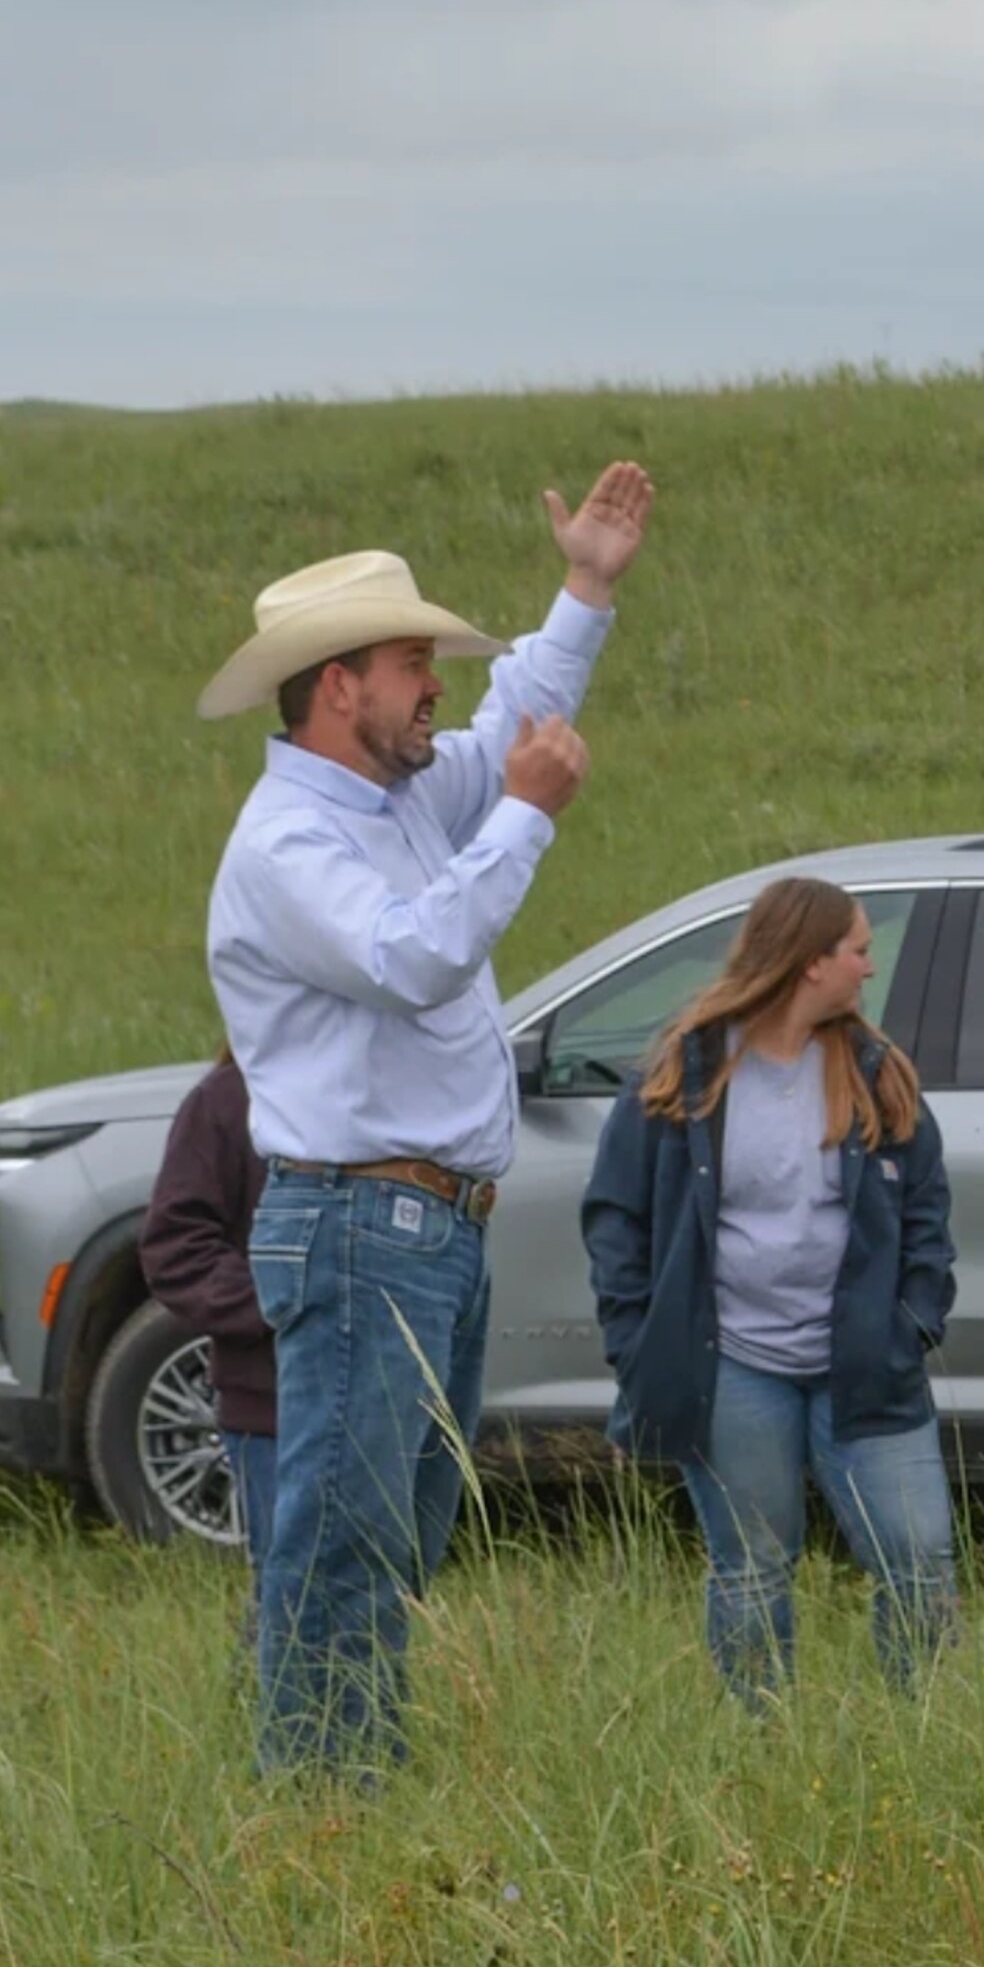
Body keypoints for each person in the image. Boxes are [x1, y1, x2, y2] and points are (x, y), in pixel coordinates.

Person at [201, 460, 654, 1774]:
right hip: (359, 1224)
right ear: (339, 682)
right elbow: (414, 956)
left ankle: (343, 1790)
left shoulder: (396, 796)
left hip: (422, 1228)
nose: (433, 683)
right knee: (344, 1543)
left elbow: (517, 713)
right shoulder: (288, 843)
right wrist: (524, 817)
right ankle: (320, 1815)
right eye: (412, 662)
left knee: (387, 1539)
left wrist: (583, 589)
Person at [584, 878, 960, 1696]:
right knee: (752, 1571)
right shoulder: (682, 1071)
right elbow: (617, 1219)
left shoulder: (875, 1070)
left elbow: (927, 1211)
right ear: (808, 960)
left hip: (865, 1364)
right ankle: (762, 1745)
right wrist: (638, 1343)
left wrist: (911, 1325)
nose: (869, 968)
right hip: (734, 1368)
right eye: (858, 950)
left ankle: (928, 1741)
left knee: (922, 1562)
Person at [140, 1052, 280, 1566]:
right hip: (271, 1405)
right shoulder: (226, 1100)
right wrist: (282, 1306)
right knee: (292, 1600)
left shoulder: (376, 1095)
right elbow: (175, 1249)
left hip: (374, 1398)